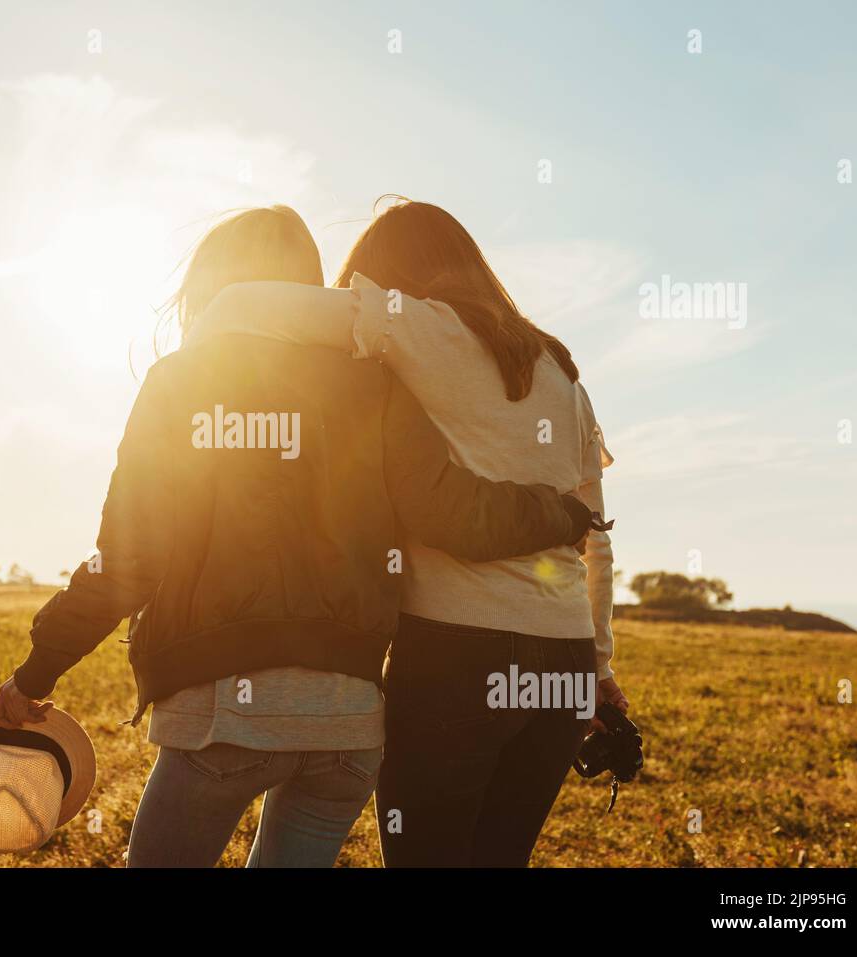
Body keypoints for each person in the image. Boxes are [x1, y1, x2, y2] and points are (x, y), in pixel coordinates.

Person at [0, 205, 592, 867]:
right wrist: (561, 517)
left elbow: (128, 558)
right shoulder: (380, 384)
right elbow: (443, 506)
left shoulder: (183, 383)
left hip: (226, 716)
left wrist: (38, 669)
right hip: (348, 728)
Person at [191, 198, 624, 866]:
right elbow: (595, 539)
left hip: (458, 654)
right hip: (562, 660)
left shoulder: (418, 326)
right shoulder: (563, 373)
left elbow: (245, 305)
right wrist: (595, 666)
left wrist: (196, 362)